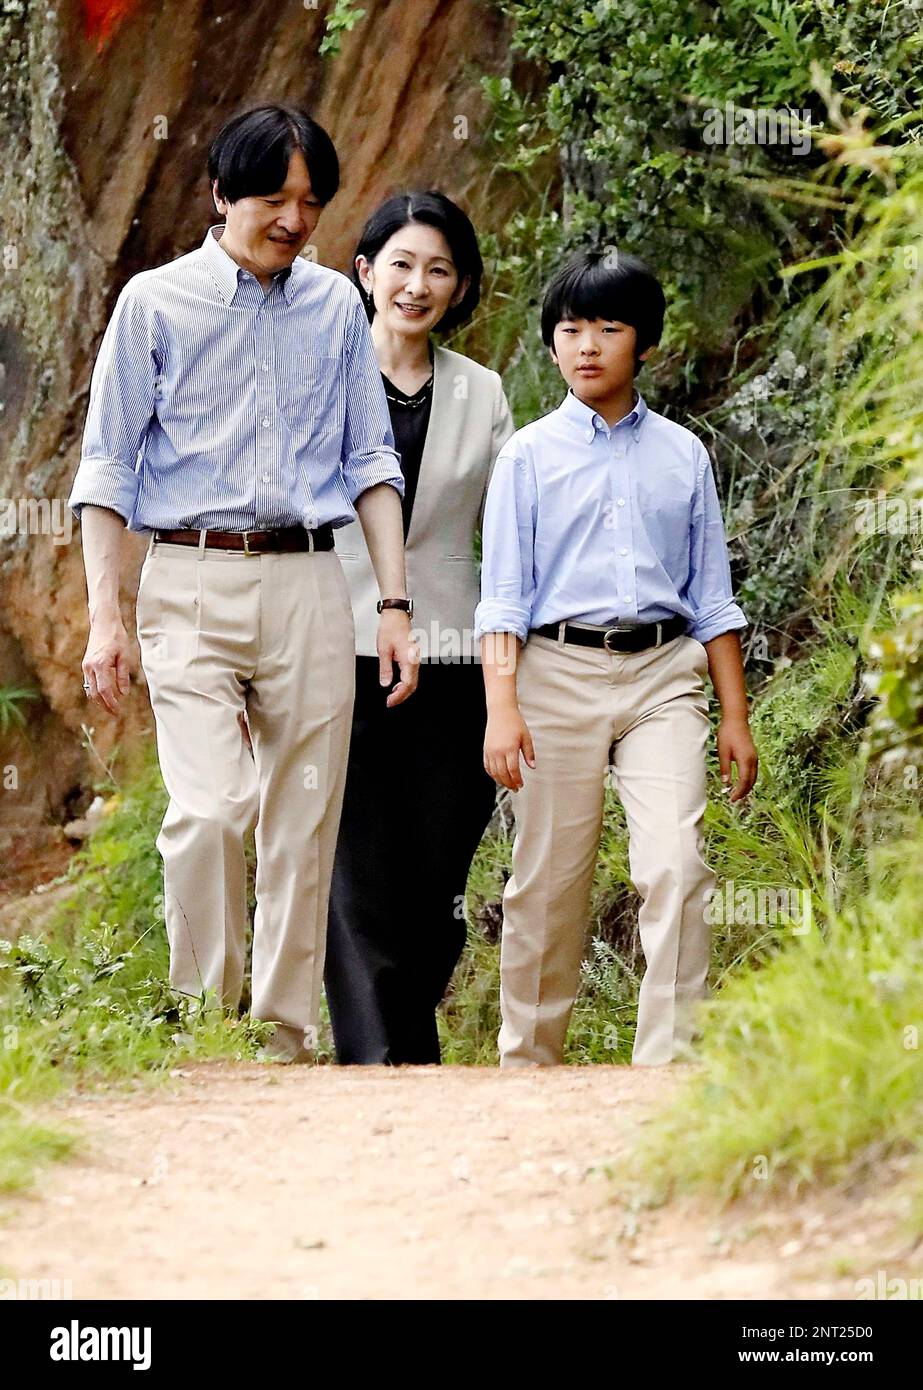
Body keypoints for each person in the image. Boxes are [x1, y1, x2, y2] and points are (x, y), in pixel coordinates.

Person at [68, 104, 418, 1064]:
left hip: (310, 581)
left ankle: (282, 1038)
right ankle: (205, 1026)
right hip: (186, 581)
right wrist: (107, 621)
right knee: (211, 810)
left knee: (302, 819)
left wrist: (391, 605)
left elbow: (370, 462)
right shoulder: (154, 304)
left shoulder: (336, 307)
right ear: (220, 195)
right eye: (274, 199)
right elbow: (107, 471)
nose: (296, 221)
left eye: (311, 203)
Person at [474, 250, 758, 1068]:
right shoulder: (525, 456)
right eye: (569, 329)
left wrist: (734, 717)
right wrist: (502, 707)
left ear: (646, 343)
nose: (587, 345)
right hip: (552, 676)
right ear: (551, 345)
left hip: (663, 680)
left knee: (676, 863)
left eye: (609, 327)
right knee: (548, 884)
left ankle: (667, 1069)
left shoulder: (682, 456)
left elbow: (711, 598)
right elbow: (501, 600)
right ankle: (528, 1061)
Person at [324, 191, 515, 1064]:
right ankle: (381, 1065)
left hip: (453, 656)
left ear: (460, 286)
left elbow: (509, 537)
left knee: (433, 872)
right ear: (364, 272)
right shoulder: (317, 374)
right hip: (335, 647)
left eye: (438, 269)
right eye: (399, 263)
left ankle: (409, 1031)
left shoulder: (484, 393)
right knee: (355, 869)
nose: (416, 284)